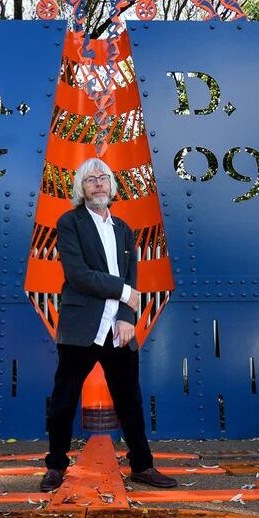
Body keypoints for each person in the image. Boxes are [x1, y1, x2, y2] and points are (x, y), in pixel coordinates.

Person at [41, 158, 176, 490]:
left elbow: (132, 278)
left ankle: (142, 466)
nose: (98, 183)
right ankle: (56, 466)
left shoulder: (125, 230)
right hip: (81, 326)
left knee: (130, 399)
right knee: (64, 400)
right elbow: (79, 276)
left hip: (119, 329)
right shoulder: (69, 222)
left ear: (111, 186)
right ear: (81, 189)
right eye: (90, 179)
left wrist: (128, 318)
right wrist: (125, 292)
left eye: (103, 178)